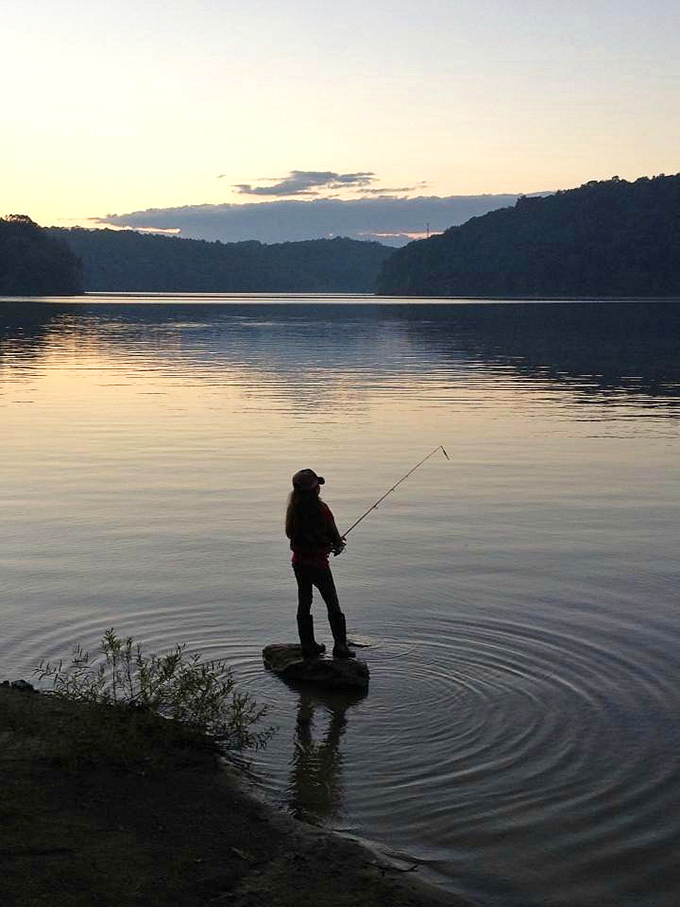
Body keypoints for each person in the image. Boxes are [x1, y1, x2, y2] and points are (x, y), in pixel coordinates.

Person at [285, 468, 355, 660]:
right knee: (332, 603)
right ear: (314, 489)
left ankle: (308, 645)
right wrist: (337, 544)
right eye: (318, 486)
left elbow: (290, 534)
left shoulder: (293, 509)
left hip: (299, 563)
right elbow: (335, 537)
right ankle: (340, 647)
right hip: (318, 565)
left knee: (304, 602)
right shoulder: (322, 510)